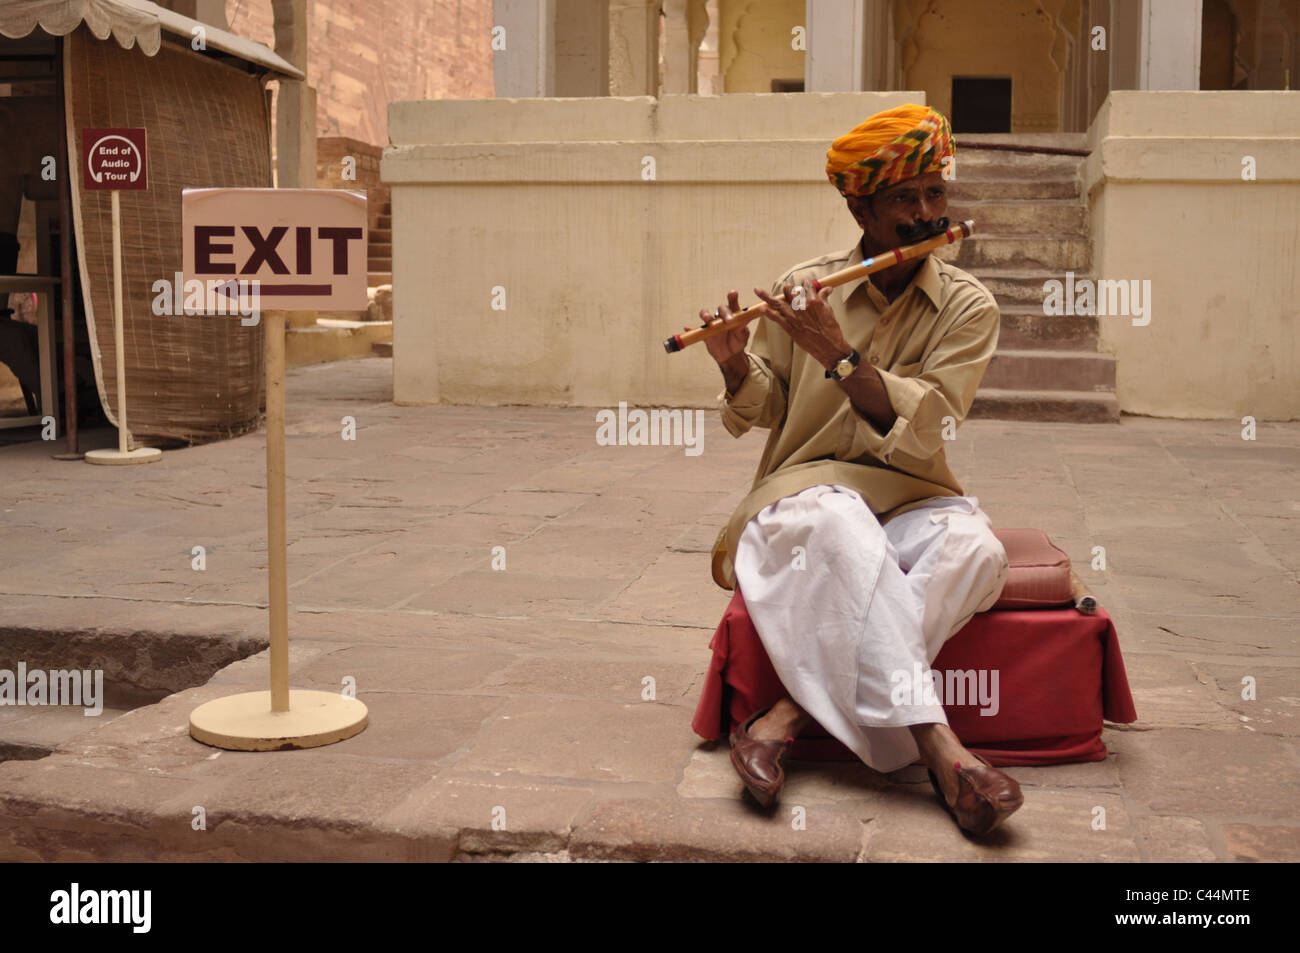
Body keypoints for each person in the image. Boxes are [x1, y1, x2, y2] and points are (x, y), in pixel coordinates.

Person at [698, 103, 1023, 836]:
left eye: (935, 194)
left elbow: (928, 427)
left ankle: (785, 714)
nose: (926, 214)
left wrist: (841, 359)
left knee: (980, 550)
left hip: (911, 493)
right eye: (904, 199)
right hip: (804, 493)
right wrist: (732, 369)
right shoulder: (807, 285)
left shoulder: (969, 306)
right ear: (860, 206)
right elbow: (762, 407)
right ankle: (942, 750)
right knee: (840, 518)